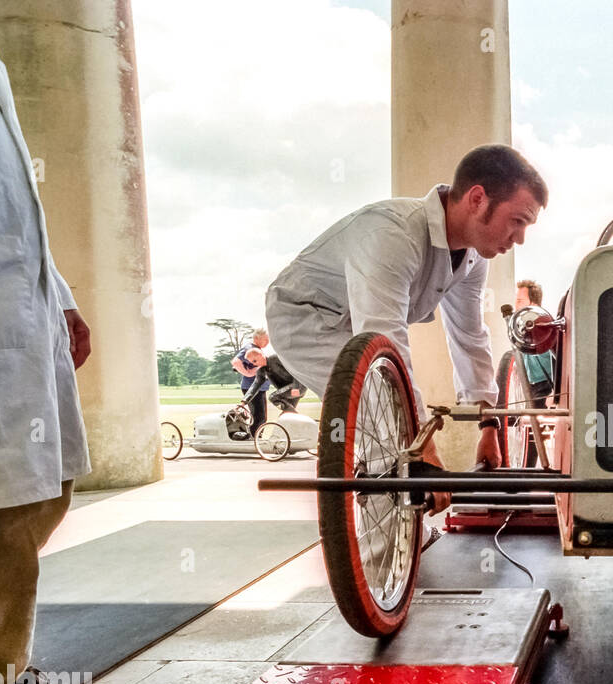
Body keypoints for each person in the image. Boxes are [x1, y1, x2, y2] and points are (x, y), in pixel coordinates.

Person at [266, 145, 547, 512]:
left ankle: (398, 517)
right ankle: (381, 549)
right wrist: (421, 445)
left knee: (389, 419)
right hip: (304, 317)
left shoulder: (475, 257)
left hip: (356, 322)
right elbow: (385, 342)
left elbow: (470, 336)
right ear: (478, 199)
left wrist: (489, 424)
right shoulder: (392, 233)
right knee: (379, 411)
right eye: (518, 221)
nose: (519, 239)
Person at [0, 36, 114, 684]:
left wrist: (57, 288)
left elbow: (11, 191)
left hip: (15, 301)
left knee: (33, 494)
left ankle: (2, 681)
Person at [231, 328, 270, 436]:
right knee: (259, 416)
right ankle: (253, 439)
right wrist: (248, 373)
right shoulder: (249, 348)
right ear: (256, 338)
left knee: (261, 417)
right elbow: (235, 362)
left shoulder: (257, 348)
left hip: (259, 388)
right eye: (265, 340)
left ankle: (256, 438)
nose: (267, 342)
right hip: (251, 388)